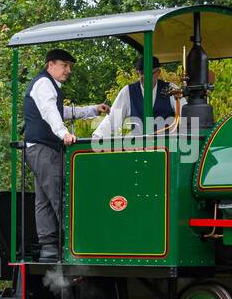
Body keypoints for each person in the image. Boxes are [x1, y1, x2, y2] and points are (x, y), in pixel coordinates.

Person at [23, 48, 109, 262]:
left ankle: (49, 248)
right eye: (64, 65)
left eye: (69, 66)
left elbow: (61, 111)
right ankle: (77, 246)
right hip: (44, 150)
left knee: (44, 199)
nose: (68, 70)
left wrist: (92, 109)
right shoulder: (44, 84)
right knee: (61, 195)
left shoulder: (48, 86)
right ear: (50, 64)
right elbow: (50, 113)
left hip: (37, 149)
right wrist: (64, 134)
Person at [92, 56, 181, 140]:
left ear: (158, 72)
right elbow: (113, 118)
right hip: (139, 149)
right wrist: (97, 137)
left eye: (151, 73)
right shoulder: (128, 91)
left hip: (167, 148)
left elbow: (185, 117)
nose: (146, 77)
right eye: (142, 73)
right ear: (137, 73)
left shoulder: (171, 89)